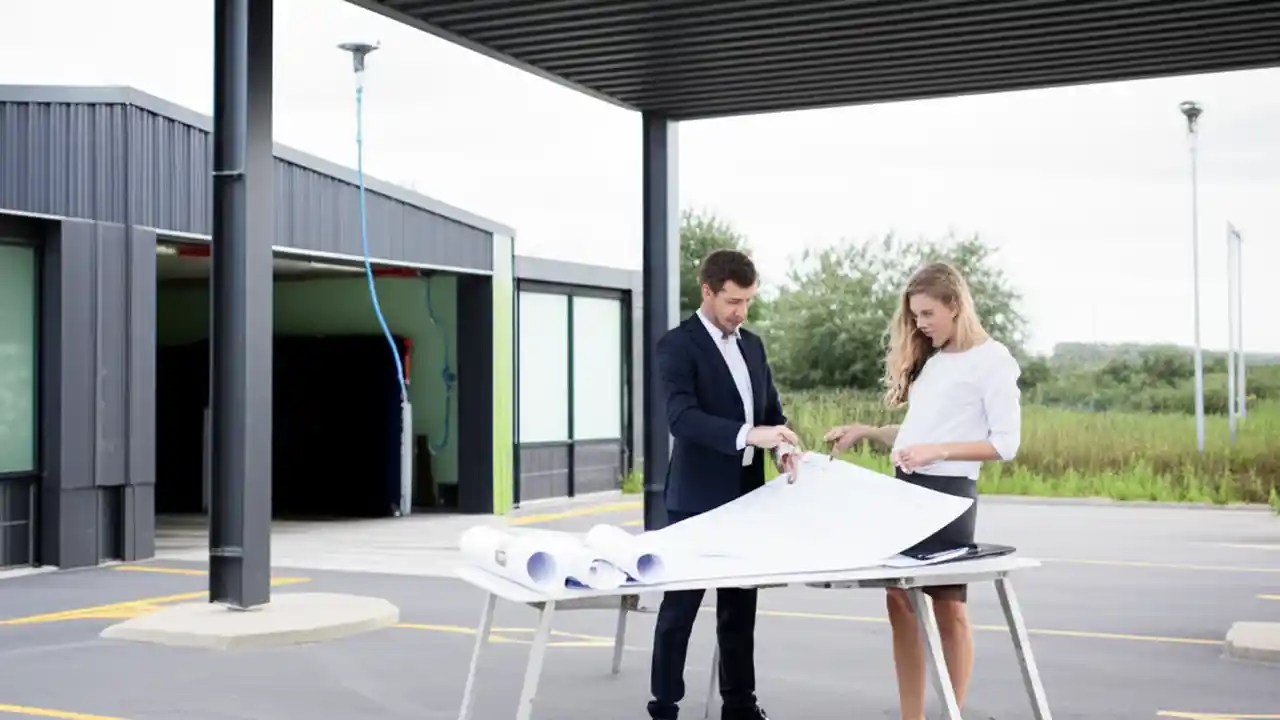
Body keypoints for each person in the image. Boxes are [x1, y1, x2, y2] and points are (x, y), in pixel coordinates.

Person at [823, 262, 1022, 720]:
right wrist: (868, 431)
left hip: (950, 496)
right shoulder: (934, 361)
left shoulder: (993, 360)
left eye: (928, 313)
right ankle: (910, 716)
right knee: (899, 602)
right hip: (907, 493)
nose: (920, 324)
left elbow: (1005, 444)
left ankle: (951, 713)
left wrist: (940, 451)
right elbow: (918, 435)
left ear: (955, 305)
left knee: (949, 611)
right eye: (915, 316)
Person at [648, 248, 800, 720]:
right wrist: (748, 435)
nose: (742, 312)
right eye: (734, 301)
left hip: (747, 498)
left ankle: (739, 705)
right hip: (695, 500)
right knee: (680, 610)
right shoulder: (677, 345)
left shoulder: (753, 345)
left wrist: (782, 447)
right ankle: (665, 705)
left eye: (748, 301)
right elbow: (682, 418)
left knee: (739, 609)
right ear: (708, 291)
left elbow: (770, 413)